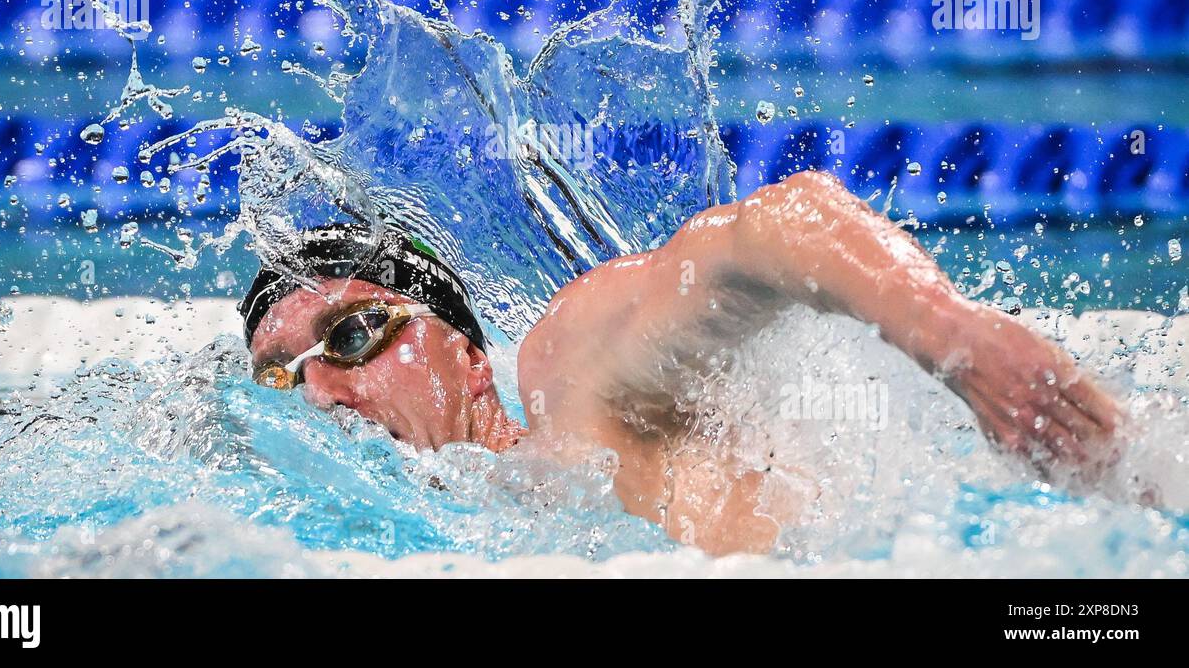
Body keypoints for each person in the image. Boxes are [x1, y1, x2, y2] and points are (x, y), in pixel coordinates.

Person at [240, 170, 1124, 555]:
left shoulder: (575, 388)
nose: (322, 394)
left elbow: (776, 226)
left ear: (470, 357)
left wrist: (956, 342)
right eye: (282, 374)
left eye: (352, 337)